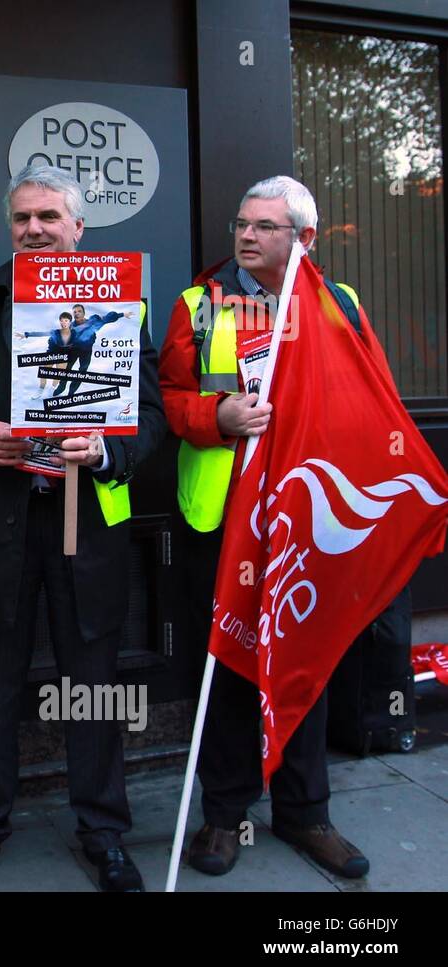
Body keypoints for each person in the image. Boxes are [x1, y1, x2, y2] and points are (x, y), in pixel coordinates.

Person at [0, 163, 166, 892]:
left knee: (94, 687)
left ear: (79, 227)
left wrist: (109, 449)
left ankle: (105, 835)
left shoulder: (121, 300)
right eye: (23, 218)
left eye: (50, 217)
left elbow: (153, 418)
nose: (35, 230)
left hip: (88, 527)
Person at [160, 174, 384, 880]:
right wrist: (215, 418)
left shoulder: (340, 304)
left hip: (307, 520)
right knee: (227, 666)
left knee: (305, 662)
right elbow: (168, 397)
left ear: (304, 239)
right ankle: (224, 818)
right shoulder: (199, 305)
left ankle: (305, 812)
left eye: (264, 226)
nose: (246, 235)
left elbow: (372, 400)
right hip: (221, 518)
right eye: (241, 224)